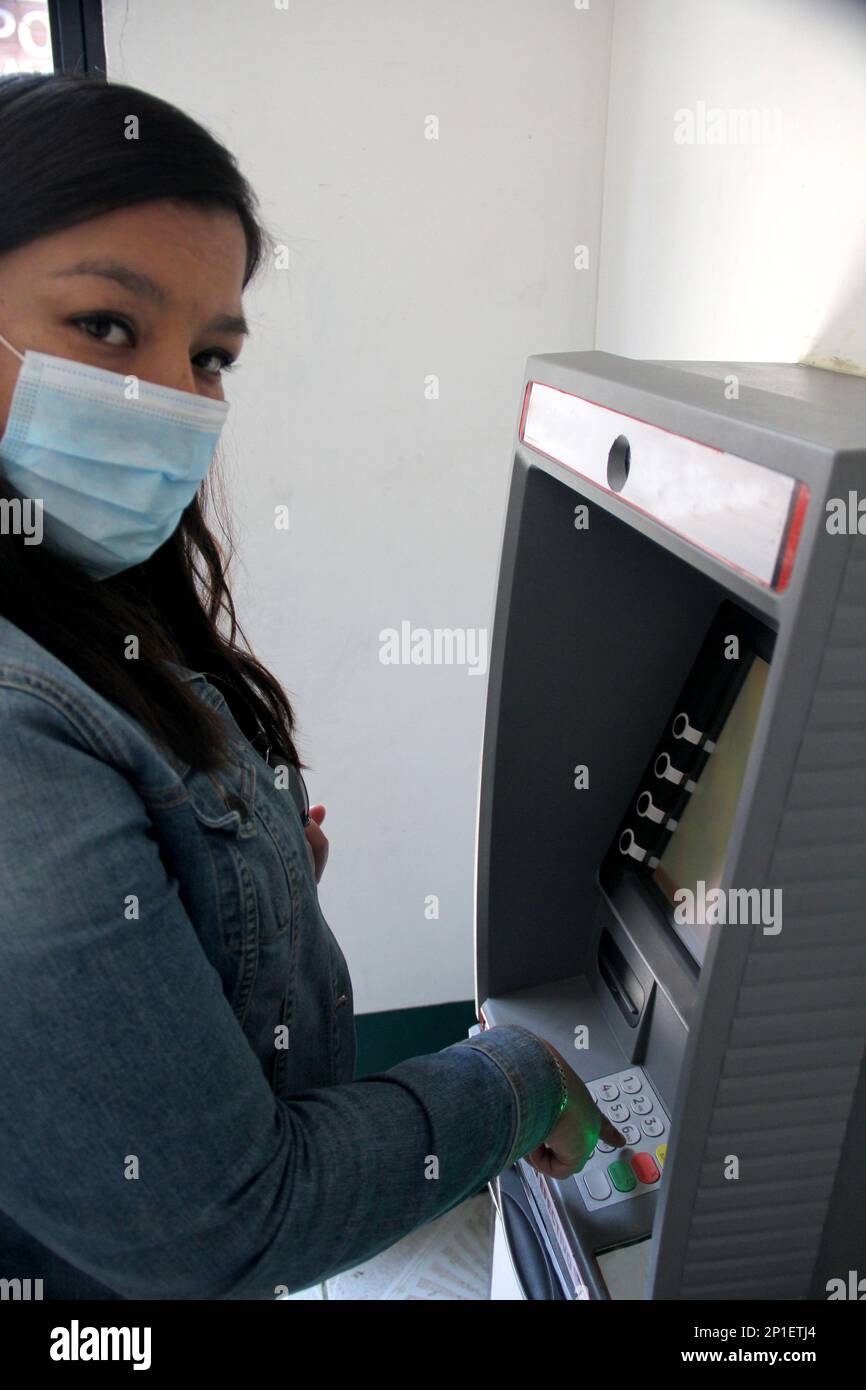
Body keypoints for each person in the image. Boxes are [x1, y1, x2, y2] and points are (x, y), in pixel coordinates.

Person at [0, 72, 624, 1301]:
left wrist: (235, 899)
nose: (177, 397)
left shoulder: (79, 593)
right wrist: (520, 1081)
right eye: (108, 328)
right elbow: (219, 1221)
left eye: (213, 352)